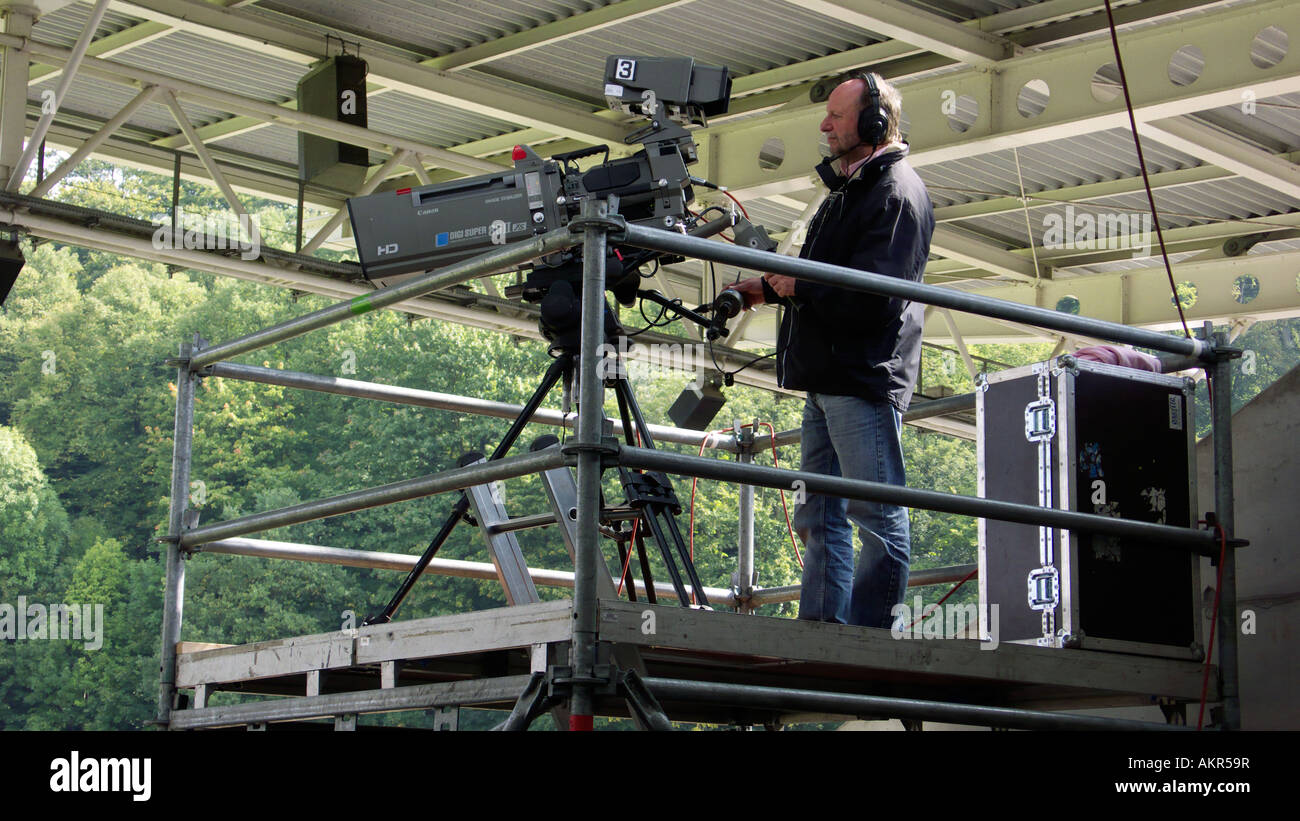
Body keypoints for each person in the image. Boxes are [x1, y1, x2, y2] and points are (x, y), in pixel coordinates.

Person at [731, 71, 934, 629]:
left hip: (860, 380)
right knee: (818, 513)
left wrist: (796, 284)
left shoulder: (893, 194)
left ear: (873, 122)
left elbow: (875, 296)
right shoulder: (854, 191)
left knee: (876, 513)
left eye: (837, 116)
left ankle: (868, 641)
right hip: (829, 379)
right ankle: (822, 630)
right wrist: (769, 287)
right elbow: (830, 283)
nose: (825, 125)